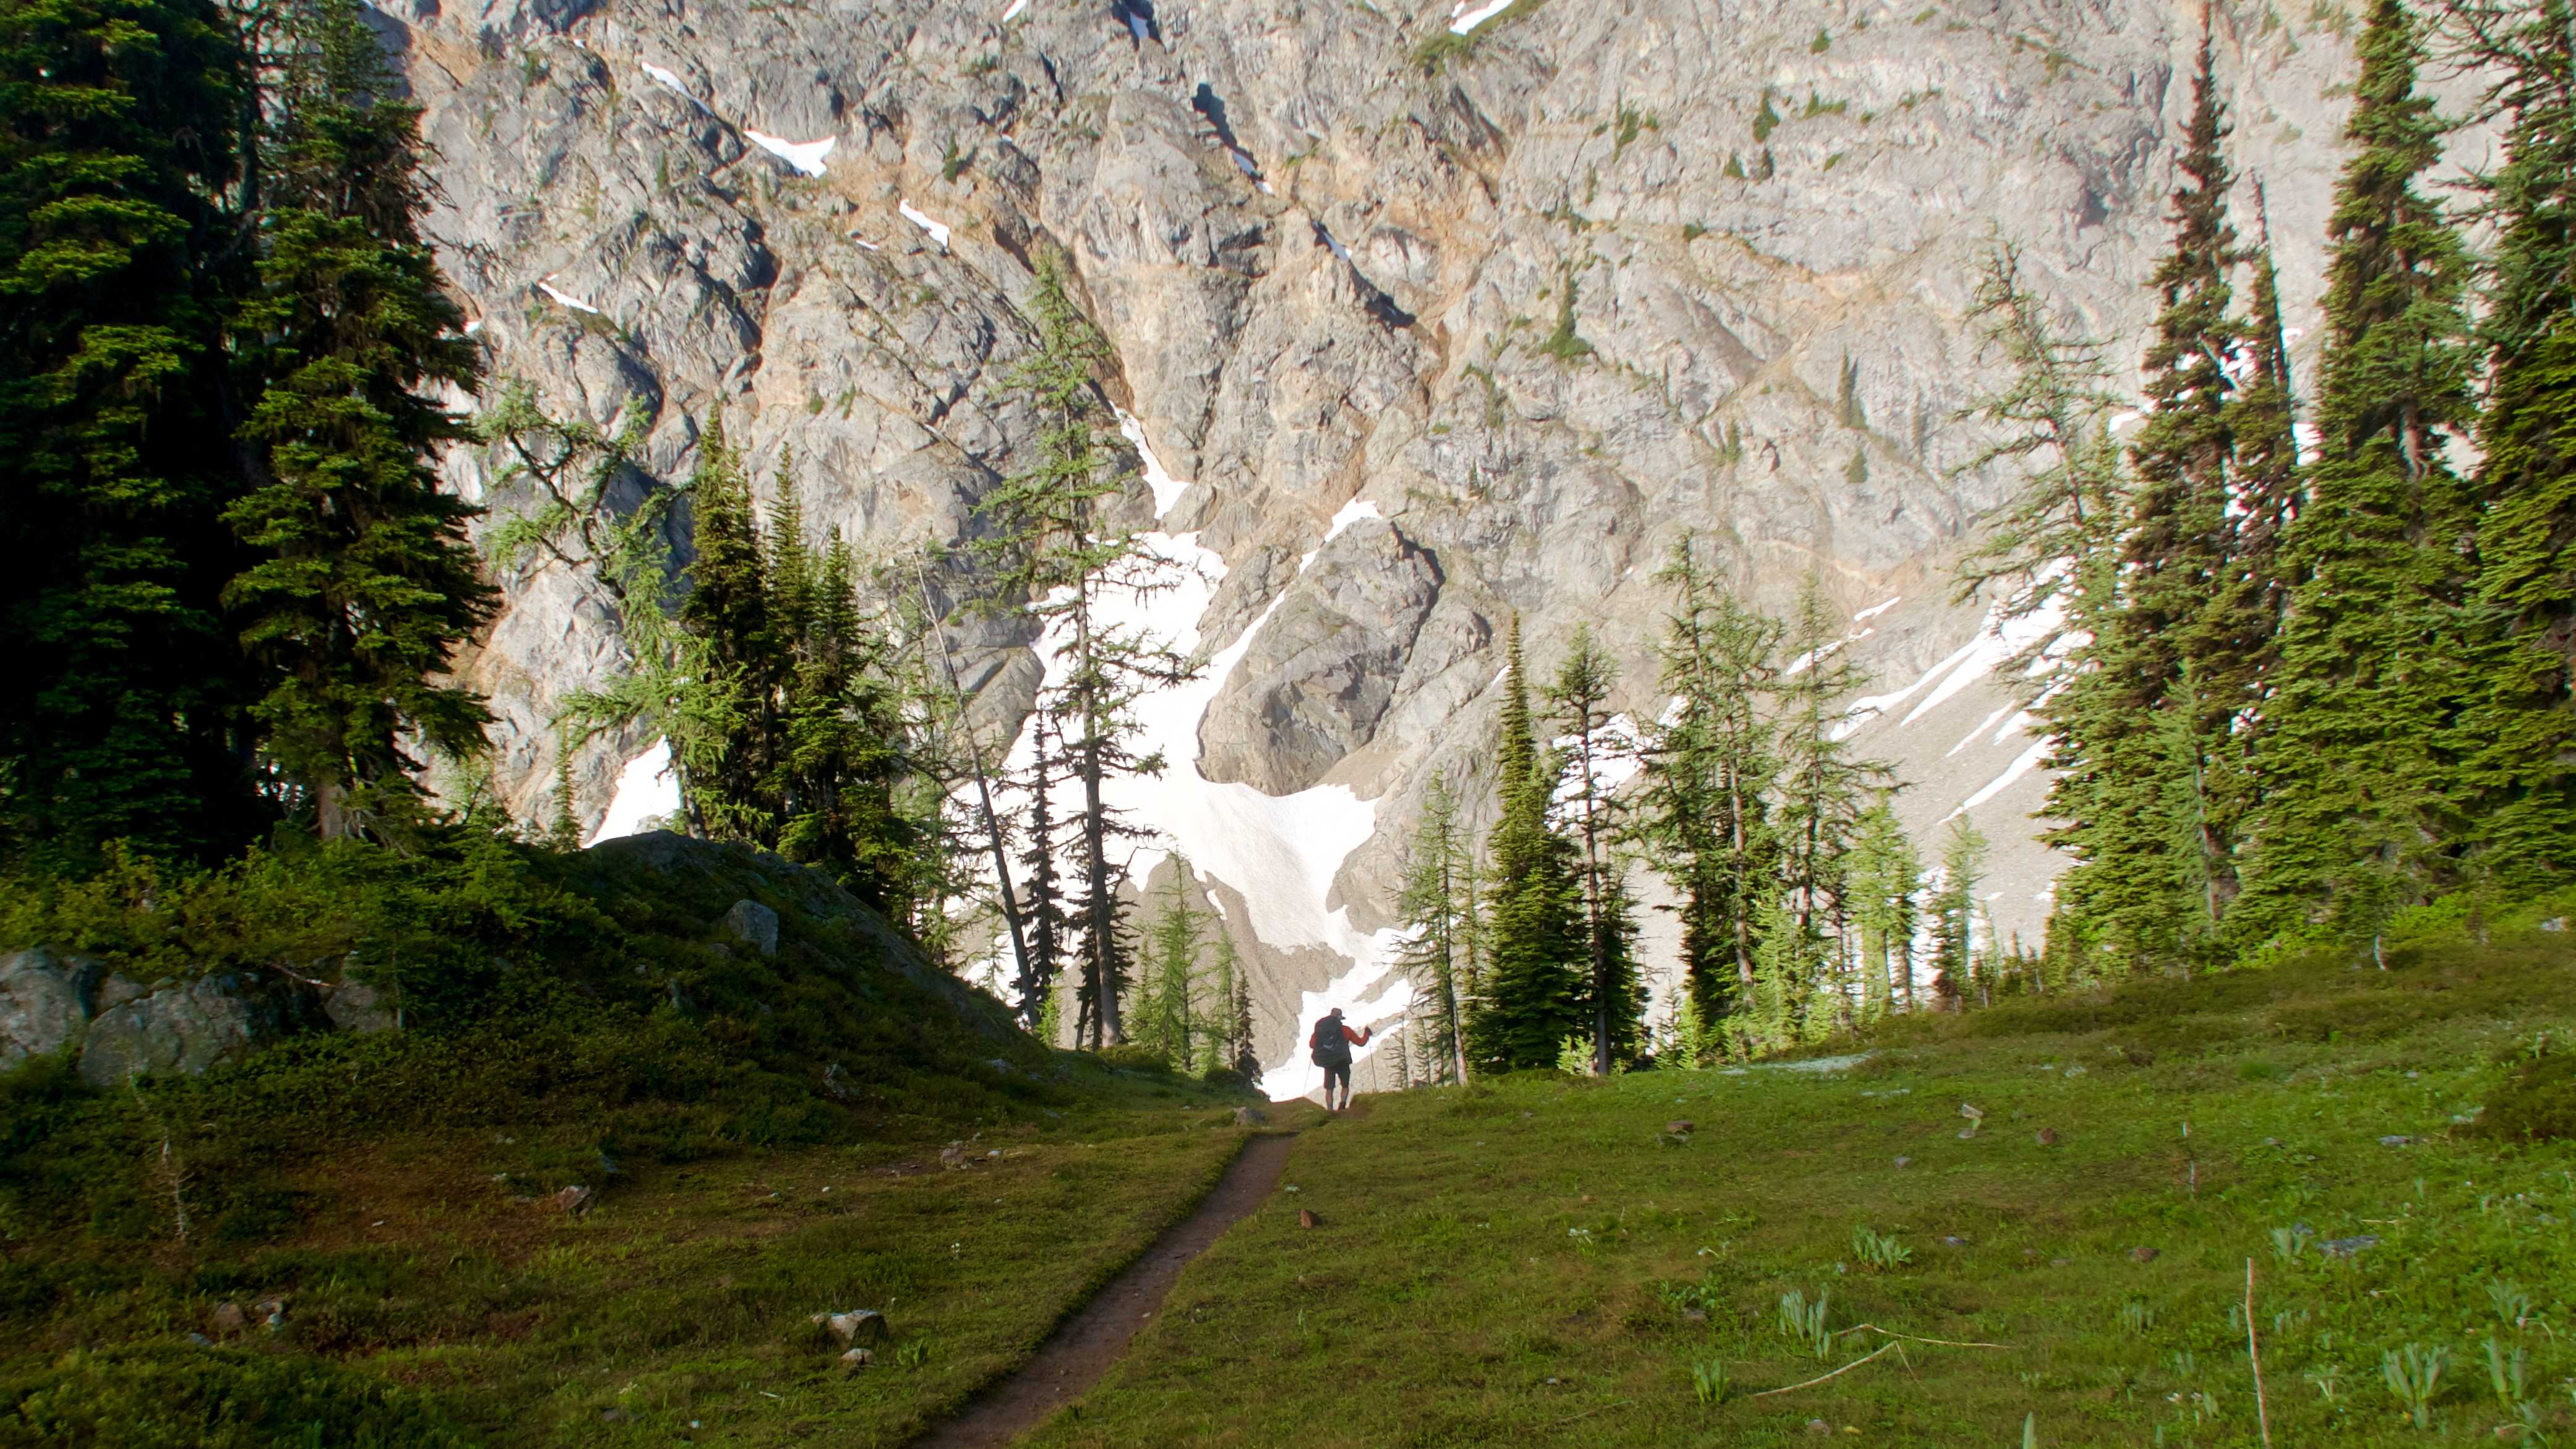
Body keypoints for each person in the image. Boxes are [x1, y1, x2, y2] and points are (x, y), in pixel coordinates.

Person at [1308, 1007, 1372, 1111]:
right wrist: (1367, 1034)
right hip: (1343, 1061)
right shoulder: (1346, 1030)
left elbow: (1312, 1045)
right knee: (1345, 1085)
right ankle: (1342, 1106)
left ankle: (1330, 1109)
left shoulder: (1321, 1031)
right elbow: (1361, 1043)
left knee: (1329, 1088)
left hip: (1328, 1062)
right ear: (1340, 1019)